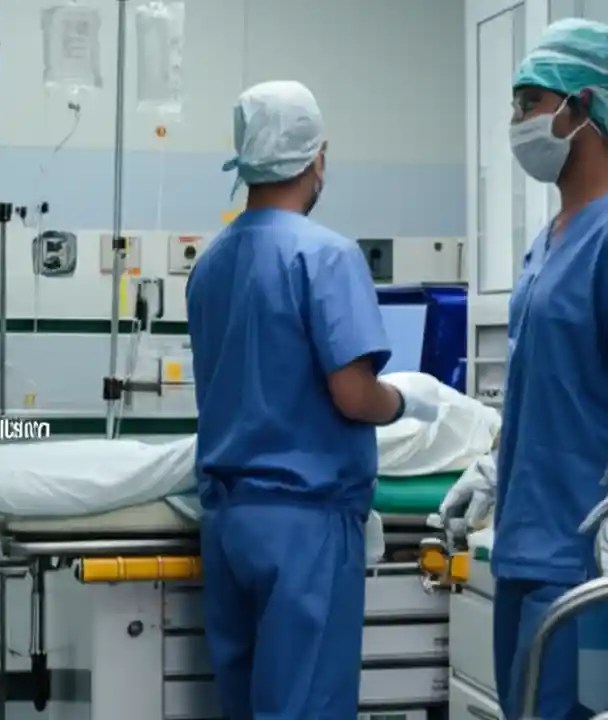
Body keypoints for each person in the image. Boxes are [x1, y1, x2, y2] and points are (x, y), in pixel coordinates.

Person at [185, 80, 440, 720]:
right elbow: (354, 395)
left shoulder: (210, 265)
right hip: (305, 526)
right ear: (316, 157)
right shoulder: (326, 256)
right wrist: (405, 403)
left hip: (228, 523)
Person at [437, 18, 608, 719]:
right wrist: (494, 466)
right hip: (523, 550)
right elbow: (548, 389)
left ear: (583, 105)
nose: (516, 121)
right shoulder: (546, 244)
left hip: (584, 566)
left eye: (530, 101)